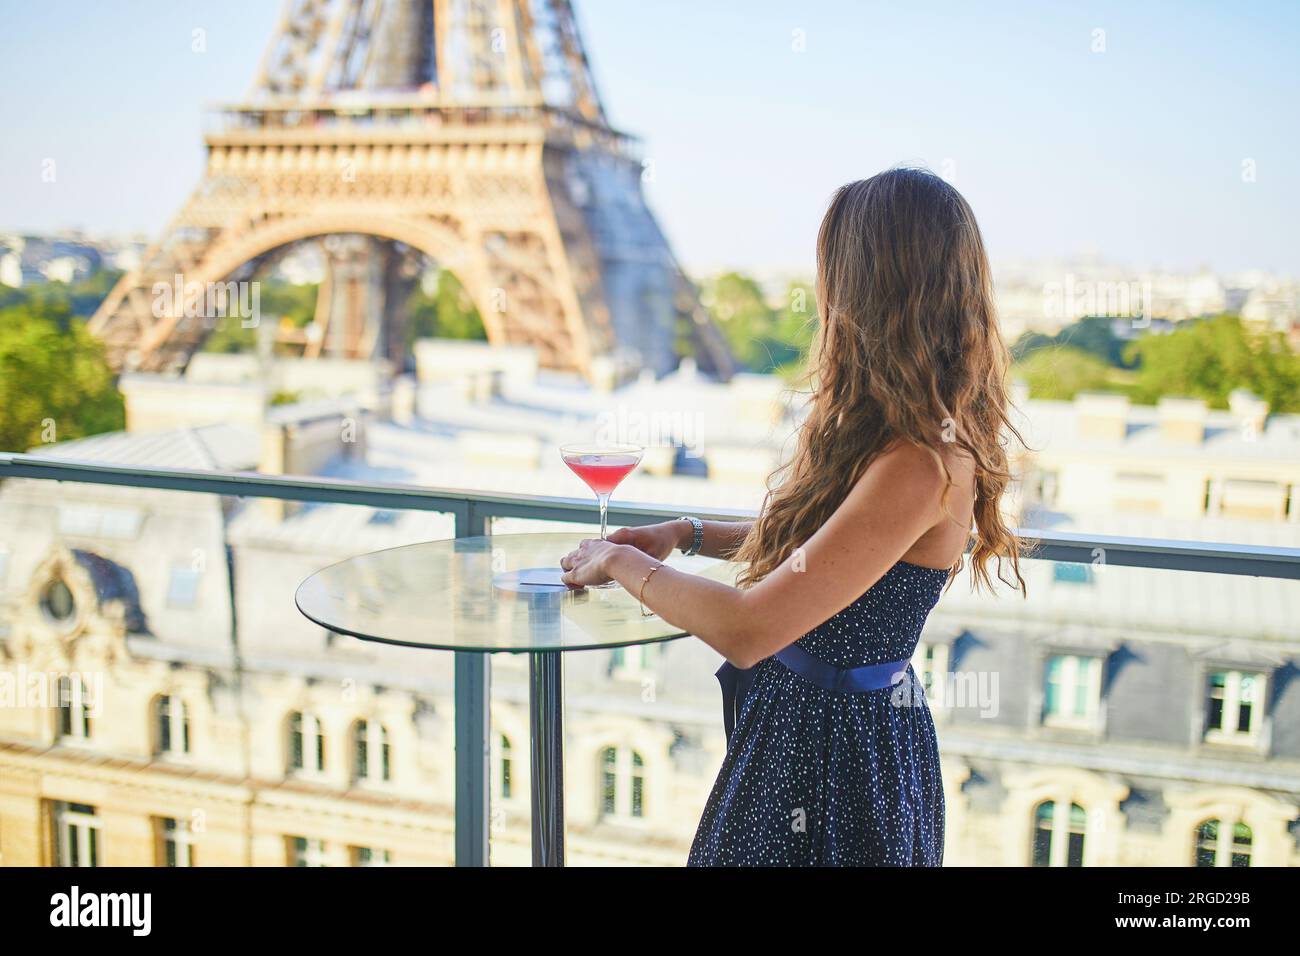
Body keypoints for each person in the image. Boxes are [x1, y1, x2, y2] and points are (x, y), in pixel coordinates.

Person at [559, 167, 1025, 866]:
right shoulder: (906, 435)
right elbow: (835, 552)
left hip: (831, 756)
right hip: (822, 734)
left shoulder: (917, 462)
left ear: (868, 287)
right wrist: (686, 536)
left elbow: (749, 630)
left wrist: (623, 561)